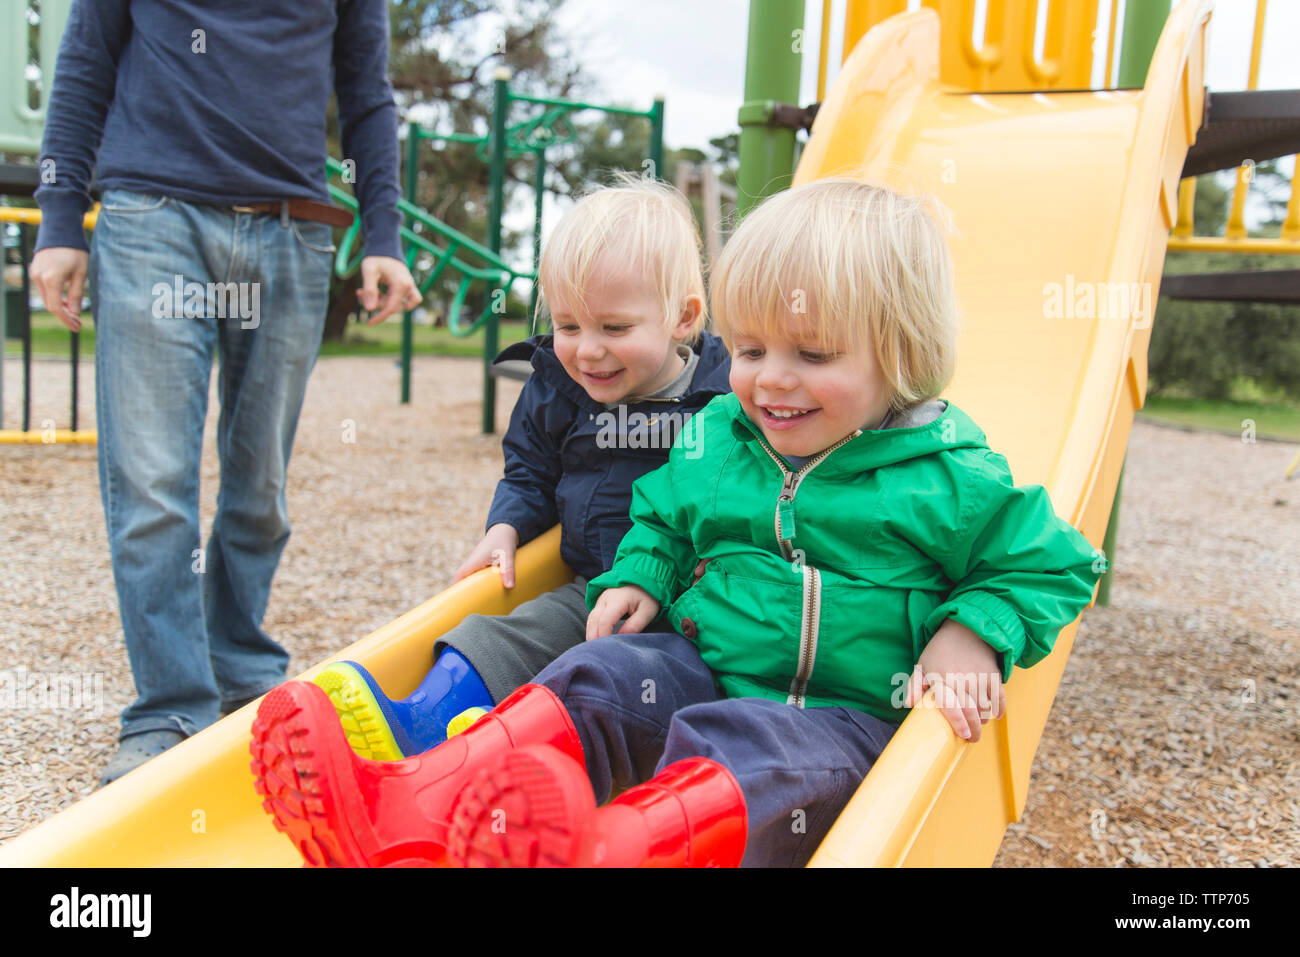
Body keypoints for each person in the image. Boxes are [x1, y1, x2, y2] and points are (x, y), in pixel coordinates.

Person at [251, 178, 1107, 869]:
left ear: (902, 354)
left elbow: (1053, 562)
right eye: (752, 349)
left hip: (839, 723)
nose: (772, 380)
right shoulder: (722, 439)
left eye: (812, 355)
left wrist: (968, 631)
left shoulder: (945, 475)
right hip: (707, 667)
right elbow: (662, 513)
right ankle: (406, 805)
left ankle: (609, 850)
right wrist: (642, 572)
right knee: (602, 672)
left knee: (745, 745)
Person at [248, 176, 734, 863]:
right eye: (567, 326)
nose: (587, 350)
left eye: (614, 329)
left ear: (683, 319)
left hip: (693, 607)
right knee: (497, 630)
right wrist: (507, 524)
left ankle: (488, 755)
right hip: (593, 587)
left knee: (605, 673)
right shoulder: (563, 385)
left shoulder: (728, 398)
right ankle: (417, 727)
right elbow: (530, 466)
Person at [29, 0, 421, 785]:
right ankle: (170, 705)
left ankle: (239, 665)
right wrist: (60, 218)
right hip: (152, 216)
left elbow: (367, 91)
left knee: (259, 486)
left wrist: (384, 232)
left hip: (293, 226)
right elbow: (85, 60)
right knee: (151, 485)